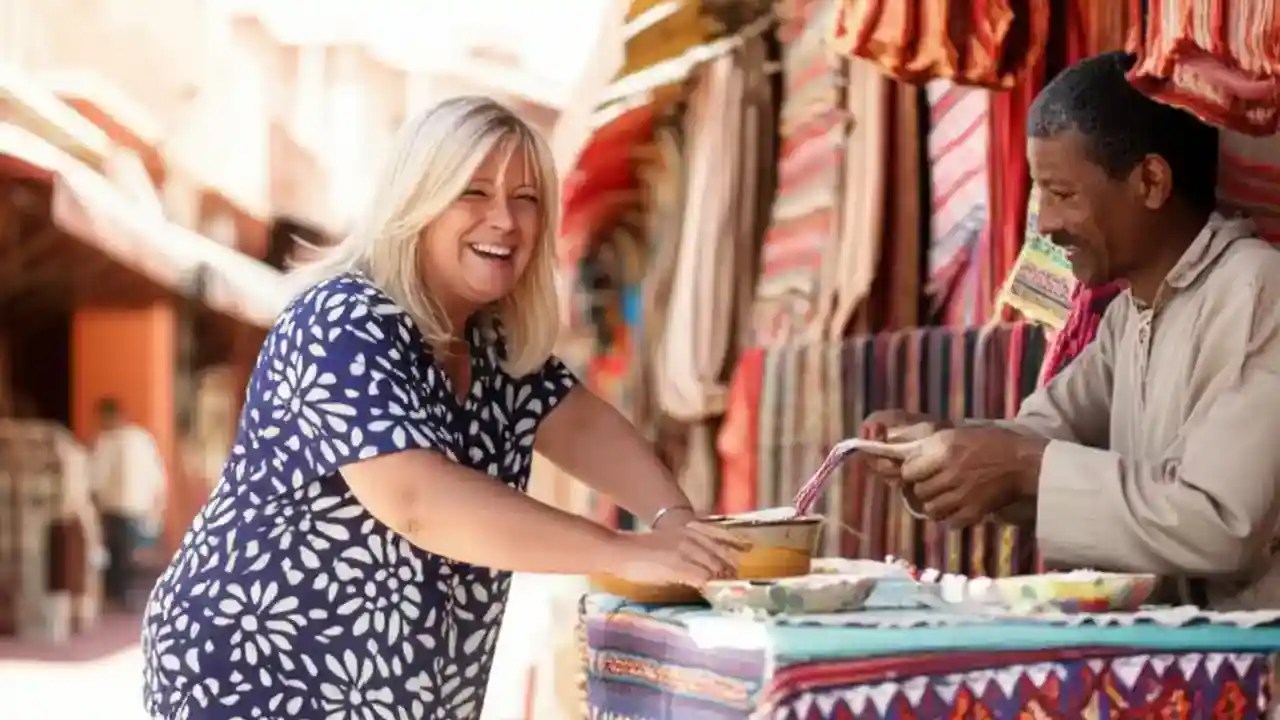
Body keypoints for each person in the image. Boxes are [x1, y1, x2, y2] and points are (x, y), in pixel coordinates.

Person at [141, 96, 745, 719]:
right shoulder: (344, 321)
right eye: (473, 193)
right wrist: (626, 553)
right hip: (260, 675)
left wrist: (674, 518)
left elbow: (581, 423)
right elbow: (418, 503)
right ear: (418, 202)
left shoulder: (489, 342)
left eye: (526, 199)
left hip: (390, 682)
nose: (505, 221)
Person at [859, 51, 1280, 610]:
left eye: (1062, 195)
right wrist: (943, 446)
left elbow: (1221, 525)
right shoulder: (1130, 316)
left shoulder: (1253, 288)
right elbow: (1037, 436)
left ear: (1150, 182)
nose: (1047, 225)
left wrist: (1019, 465)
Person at [89, 397, 166, 610]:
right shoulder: (141, 439)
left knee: (120, 556)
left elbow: (96, 478)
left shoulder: (111, 441)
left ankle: (121, 598)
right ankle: (125, 598)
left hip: (121, 508)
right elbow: (157, 476)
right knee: (126, 556)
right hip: (131, 507)